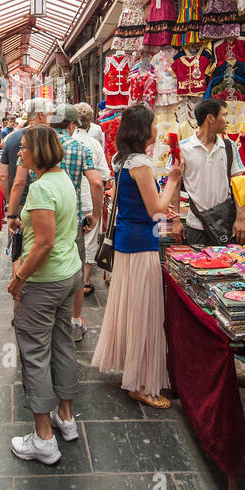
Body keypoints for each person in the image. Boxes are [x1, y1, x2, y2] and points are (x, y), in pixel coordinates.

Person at [93, 104, 184, 408]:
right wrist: (173, 180)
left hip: (126, 238)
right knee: (145, 311)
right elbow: (155, 208)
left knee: (132, 307)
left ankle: (134, 372)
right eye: (154, 123)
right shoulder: (141, 164)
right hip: (142, 241)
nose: (157, 128)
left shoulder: (122, 161)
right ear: (144, 129)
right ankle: (142, 385)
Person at [8, 125, 82, 464]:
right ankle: (66, 418)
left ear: (39, 150)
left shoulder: (39, 189)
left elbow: (45, 243)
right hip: (69, 274)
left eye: (25, 147)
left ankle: (43, 438)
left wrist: (20, 277)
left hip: (45, 281)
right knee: (62, 342)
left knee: (34, 352)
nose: (20, 152)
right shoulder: (63, 179)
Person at [52, 105, 104, 339]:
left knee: (46, 268)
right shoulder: (80, 148)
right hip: (70, 220)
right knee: (75, 272)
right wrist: (96, 214)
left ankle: (48, 319)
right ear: (72, 125)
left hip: (42, 219)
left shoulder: (40, 146)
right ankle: (73, 322)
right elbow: (96, 183)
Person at [175, 99, 245, 247]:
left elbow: (238, 185)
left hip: (225, 225)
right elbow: (175, 186)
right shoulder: (182, 149)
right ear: (210, 118)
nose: (227, 121)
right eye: (224, 115)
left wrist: (241, 219)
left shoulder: (229, 147)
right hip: (196, 226)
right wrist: (175, 221)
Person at [3, 97, 55, 219]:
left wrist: (10, 203)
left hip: (19, 200)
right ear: (41, 115)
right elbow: (19, 180)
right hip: (44, 201)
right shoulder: (51, 137)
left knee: (18, 236)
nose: (52, 118)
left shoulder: (11, 138)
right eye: (50, 114)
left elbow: (3, 176)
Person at [76, 117, 110, 295]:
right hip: (89, 198)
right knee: (89, 239)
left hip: (70, 198)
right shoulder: (93, 144)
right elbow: (102, 176)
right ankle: (85, 280)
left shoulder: (67, 142)